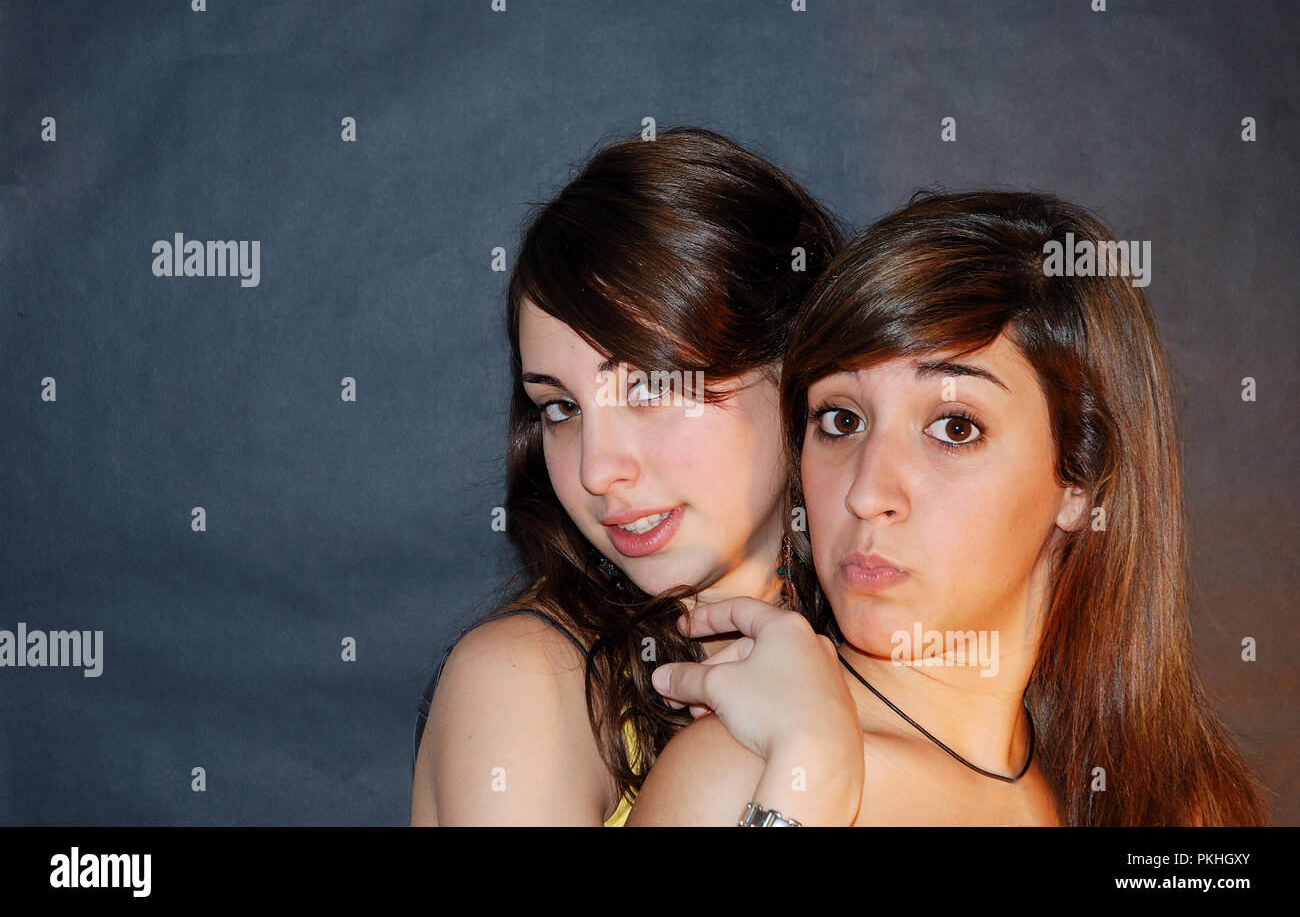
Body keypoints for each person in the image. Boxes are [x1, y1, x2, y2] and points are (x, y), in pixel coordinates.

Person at [635, 190, 1272, 826]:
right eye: (841, 419)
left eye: (954, 429)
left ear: (1081, 480)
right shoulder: (743, 776)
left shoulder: (1184, 808)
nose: (866, 493)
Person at [409, 126, 845, 825]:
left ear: (797, 367)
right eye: (560, 408)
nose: (596, 469)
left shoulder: (899, 655)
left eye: (651, 388)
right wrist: (803, 778)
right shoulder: (528, 683)